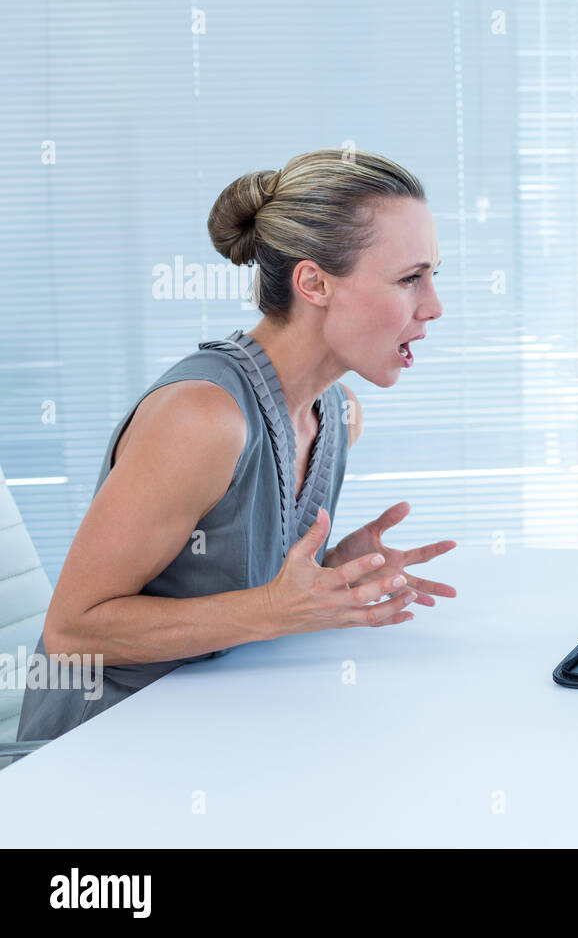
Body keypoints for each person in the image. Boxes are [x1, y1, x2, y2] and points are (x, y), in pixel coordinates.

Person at [18, 147, 457, 742]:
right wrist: (279, 609)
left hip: (216, 726)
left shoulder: (338, 414)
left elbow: (236, 596)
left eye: (432, 276)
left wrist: (331, 580)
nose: (432, 307)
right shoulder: (202, 418)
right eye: (410, 279)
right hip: (99, 748)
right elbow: (74, 631)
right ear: (313, 282)